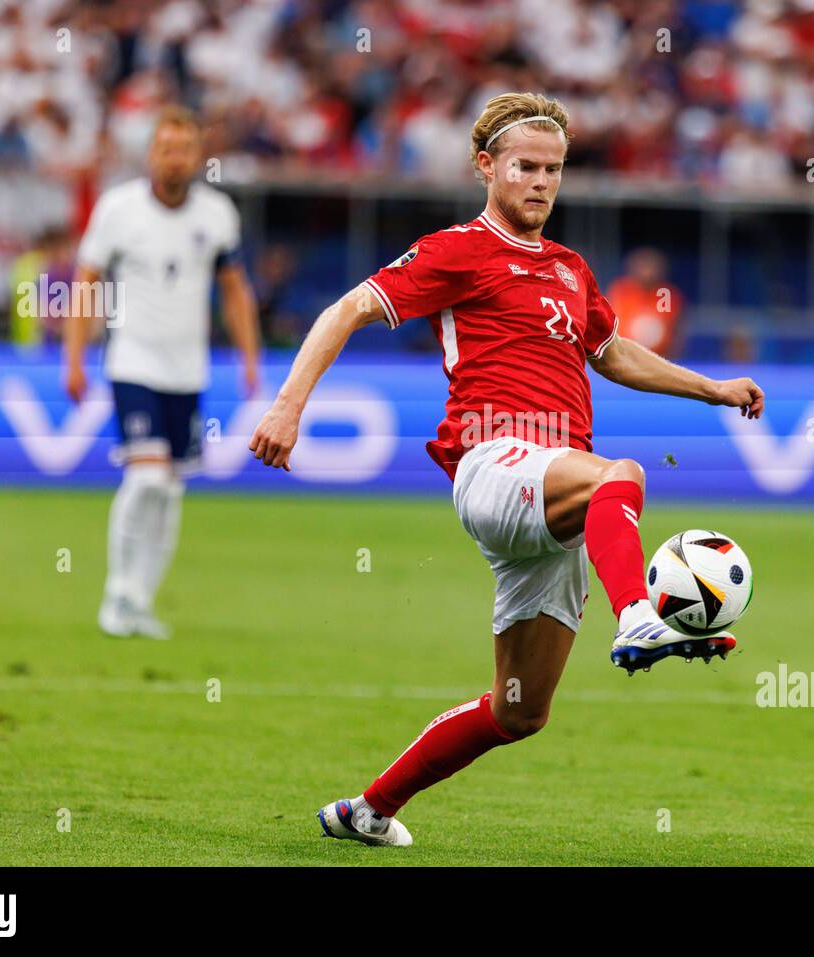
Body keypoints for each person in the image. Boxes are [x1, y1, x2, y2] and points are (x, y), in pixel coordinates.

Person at [249, 92, 764, 846]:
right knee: (619, 473)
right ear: (487, 166)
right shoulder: (458, 249)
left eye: (553, 169)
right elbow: (348, 309)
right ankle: (639, 613)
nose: (541, 182)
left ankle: (368, 809)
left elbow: (613, 352)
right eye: (525, 166)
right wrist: (287, 406)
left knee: (519, 709)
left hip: (551, 503)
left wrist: (711, 387)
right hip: (495, 464)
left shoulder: (569, 268)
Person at [64, 106, 259, 639]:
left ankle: (141, 601)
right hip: (132, 361)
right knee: (146, 477)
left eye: (184, 148)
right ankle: (117, 593)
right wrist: (74, 357)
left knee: (170, 491)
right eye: (165, 147)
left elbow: (235, 289)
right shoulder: (118, 209)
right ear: (151, 153)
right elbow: (87, 282)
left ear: (199, 155)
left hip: (187, 369)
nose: (174, 158)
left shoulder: (217, 214)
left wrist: (248, 357)